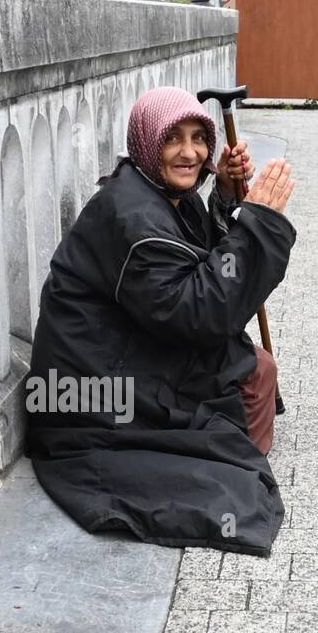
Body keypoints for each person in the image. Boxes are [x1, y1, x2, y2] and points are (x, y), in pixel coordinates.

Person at [27, 86, 297, 556]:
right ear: (147, 142)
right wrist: (260, 223)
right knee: (249, 377)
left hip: (127, 347)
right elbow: (200, 311)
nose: (190, 153)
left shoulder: (157, 189)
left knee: (253, 368)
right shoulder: (134, 219)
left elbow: (198, 256)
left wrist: (228, 197)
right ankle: (241, 456)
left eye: (199, 139)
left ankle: (240, 448)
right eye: (174, 139)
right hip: (97, 392)